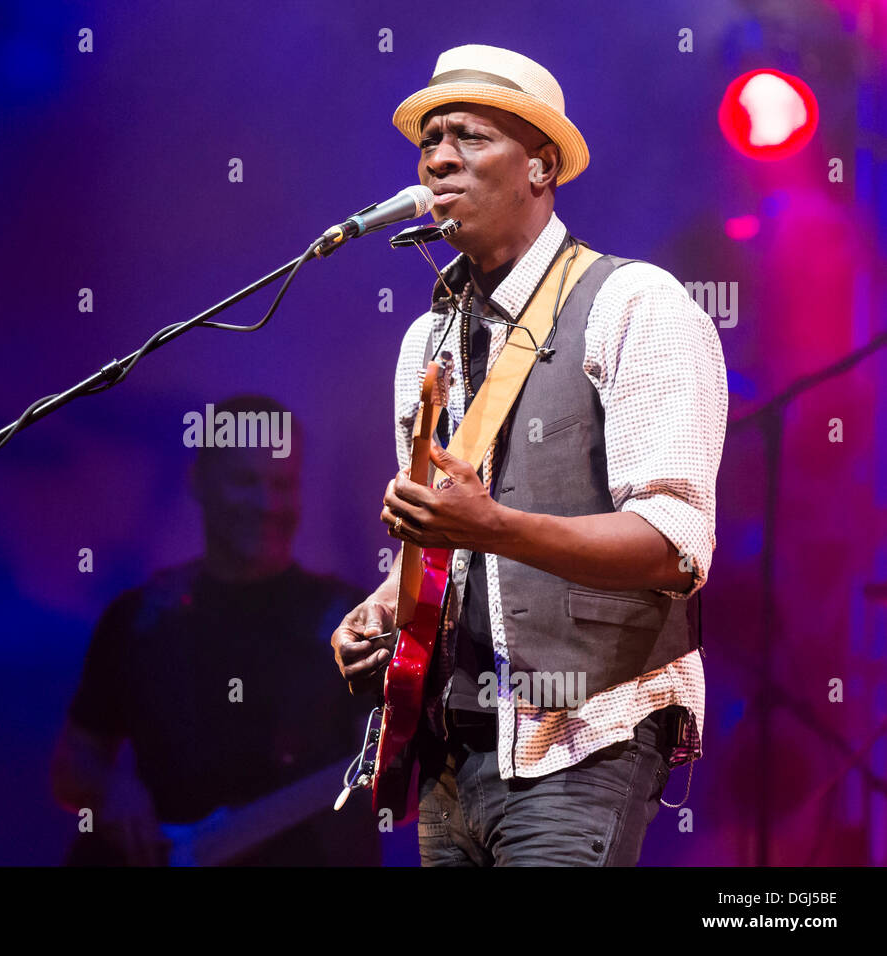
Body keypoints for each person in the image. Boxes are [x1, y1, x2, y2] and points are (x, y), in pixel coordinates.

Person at [331, 44, 728, 866]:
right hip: (450, 746)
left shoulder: (636, 303)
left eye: (470, 136)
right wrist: (383, 602)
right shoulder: (427, 340)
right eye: (430, 139)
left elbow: (674, 545)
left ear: (541, 166)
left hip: (582, 739)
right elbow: (451, 543)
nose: (439, 157)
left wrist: (491, 525)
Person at [54, 395, 381, 865]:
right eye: (246, 481)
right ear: (199, 481)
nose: (268, 504)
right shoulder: (141, 618)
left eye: (282, 484)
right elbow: (73, 763)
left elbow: (395, 780)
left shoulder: (353, 621)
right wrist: (111, 790)